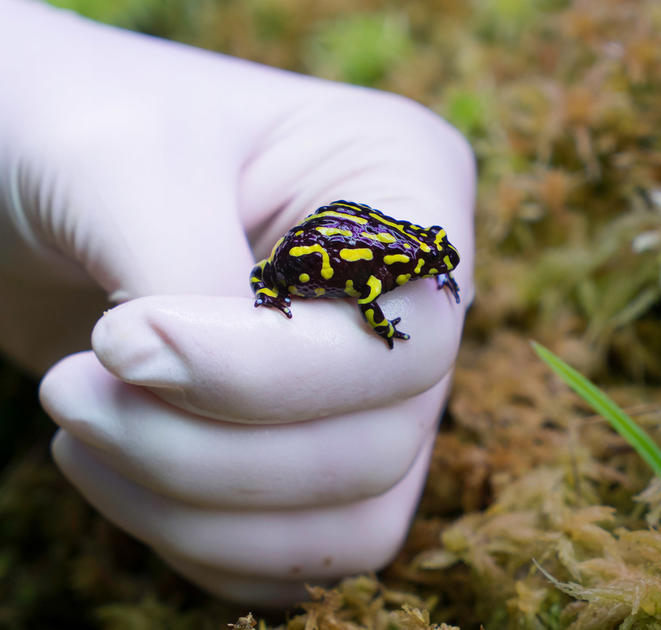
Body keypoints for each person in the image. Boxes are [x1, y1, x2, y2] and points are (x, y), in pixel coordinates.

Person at [0, 0, 475, 605]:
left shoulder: (405, 254)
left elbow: (376, 236)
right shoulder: (381, 272)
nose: (436, 262)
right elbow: (363, 293)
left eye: (434, 257)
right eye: (432, 259)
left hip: (325, 243)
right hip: (292, 264)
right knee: (269, 290)